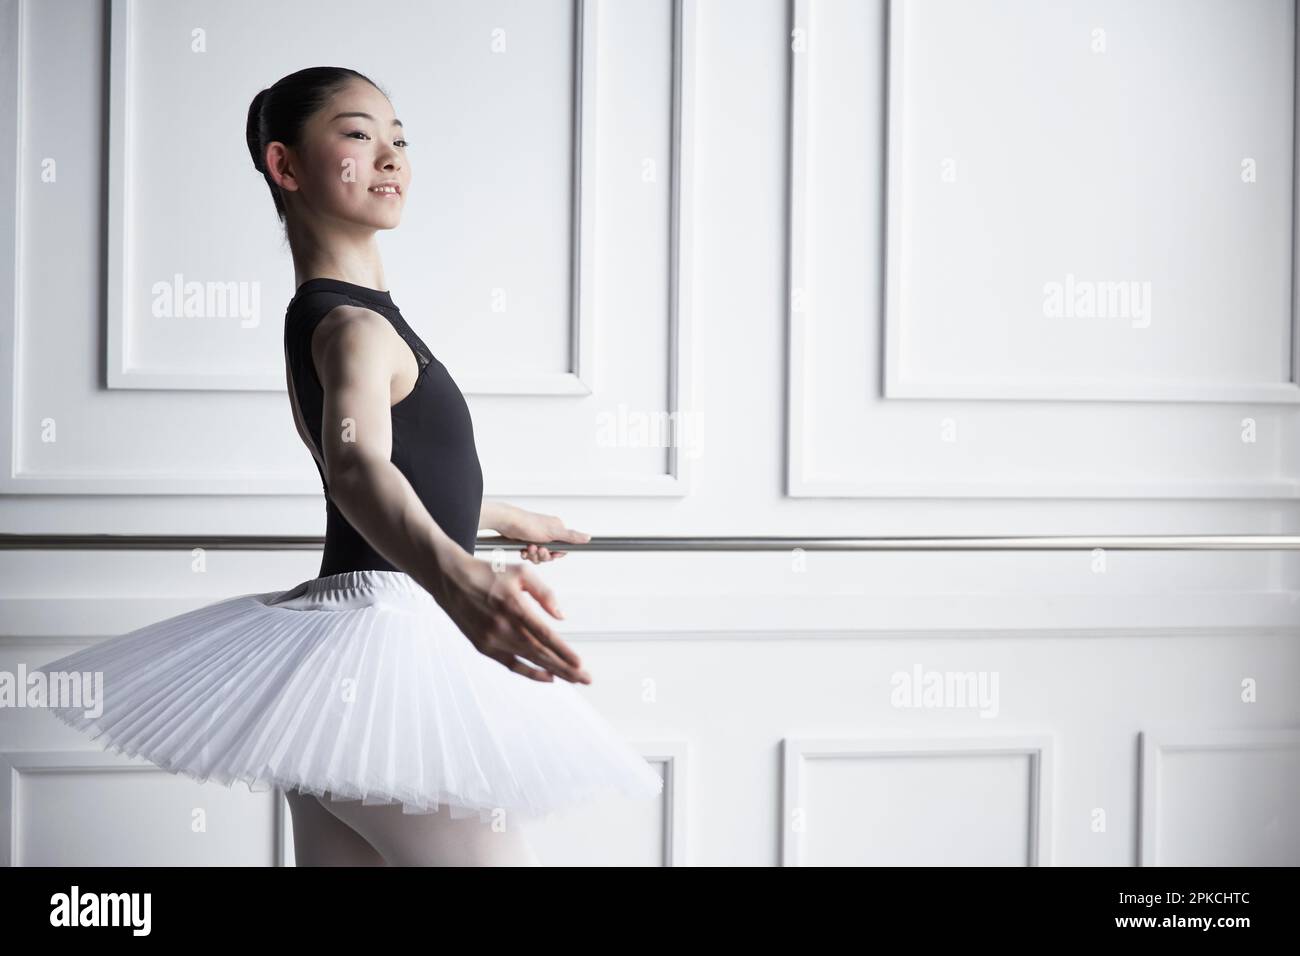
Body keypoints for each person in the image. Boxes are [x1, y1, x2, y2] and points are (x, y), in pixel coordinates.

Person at [36, 66, 663, 867]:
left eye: (400, 138)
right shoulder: (349, 328)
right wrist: (460, 578)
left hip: (340, 669)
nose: (393, 156)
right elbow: (358, 469)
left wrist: (501, 518)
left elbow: (395, 467)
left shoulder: (329, 318)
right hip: (388, 649)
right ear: (285, 166)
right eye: (360, 134)